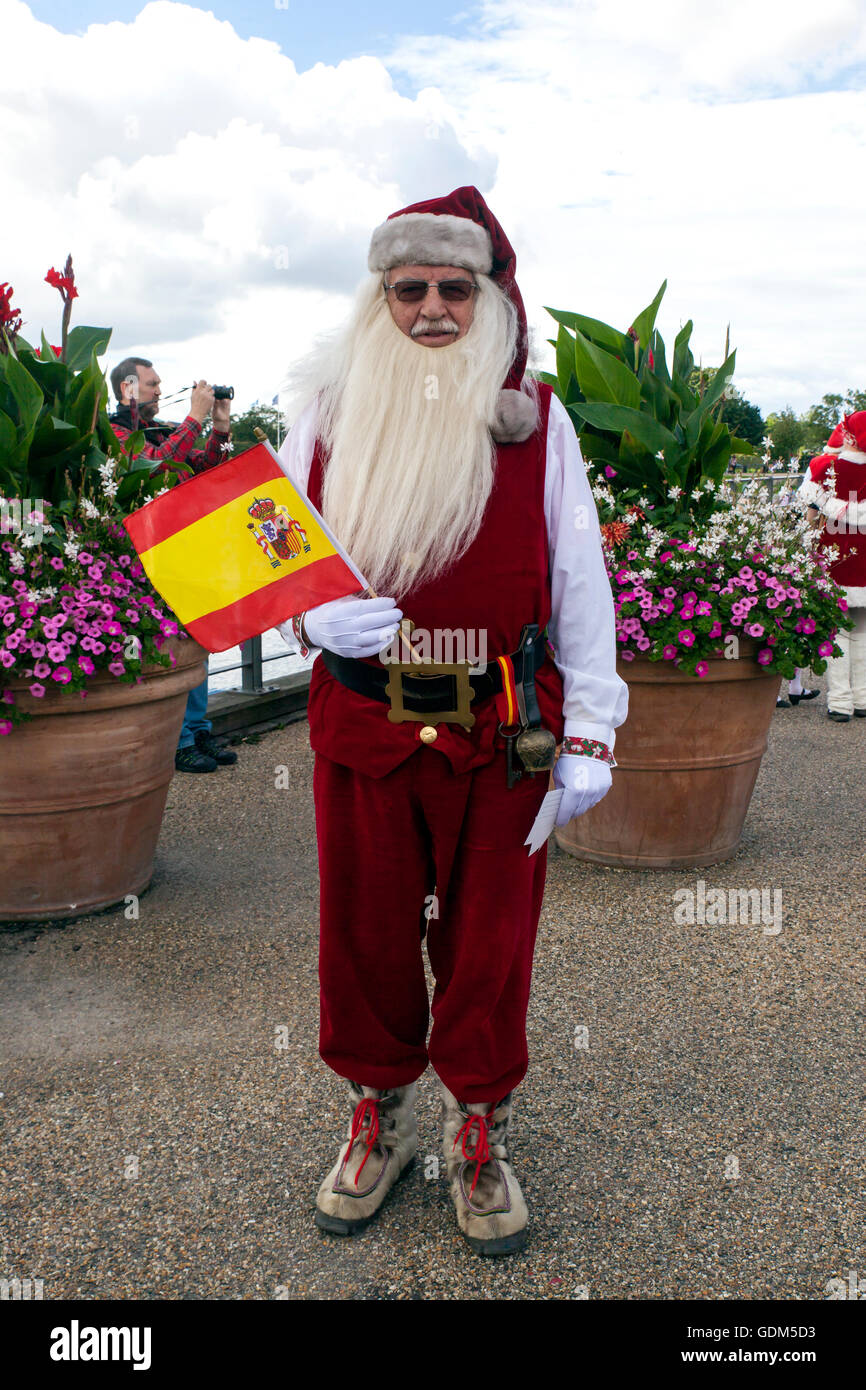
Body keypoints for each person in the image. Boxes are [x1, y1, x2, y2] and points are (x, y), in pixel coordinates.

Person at [276, 186, 627, 1256]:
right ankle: (376, 1117)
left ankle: (479, 1127)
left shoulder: (540, 421)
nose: (431, 308)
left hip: (503, 731)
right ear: (379, 298)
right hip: (364, 724)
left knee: (489, 946)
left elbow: (579, 579)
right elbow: (263, 557)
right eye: (409, 288)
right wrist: (309, 617)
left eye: (453, 288)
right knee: (364, 934)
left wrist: (590, 731)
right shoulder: (322, 413)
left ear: (488, 297)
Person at [108, 358, 238, 771]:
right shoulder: (113, 434)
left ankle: (198, 731)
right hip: (145, 558)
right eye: (152, 384)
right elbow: (157, 464)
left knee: (196, 642)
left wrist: (219, 426)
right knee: (169, 648)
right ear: (127, 388)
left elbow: (207, 468)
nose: (160, 391)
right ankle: (176, 742)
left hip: (183, 550)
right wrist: (195, 417)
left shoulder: (161, 430)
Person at [798, 414, 866, 722]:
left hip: (835, 559)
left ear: (849, 437)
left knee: (837, 633)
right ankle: (862, 698)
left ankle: (840, 702)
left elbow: (811, 516)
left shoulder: (826, 468)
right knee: (862, 633)